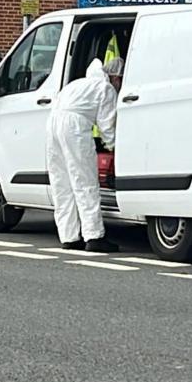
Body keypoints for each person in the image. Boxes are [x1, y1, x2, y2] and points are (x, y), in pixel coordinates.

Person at [46, 57, 123, 252]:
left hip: (53, 124)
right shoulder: (105, 88)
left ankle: (69, 236)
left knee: (62, 183)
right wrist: (116, 147)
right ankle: (94, 236)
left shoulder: (78, 84)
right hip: (74, 127)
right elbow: (107, 125)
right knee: (85, 181)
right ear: (115, 77)